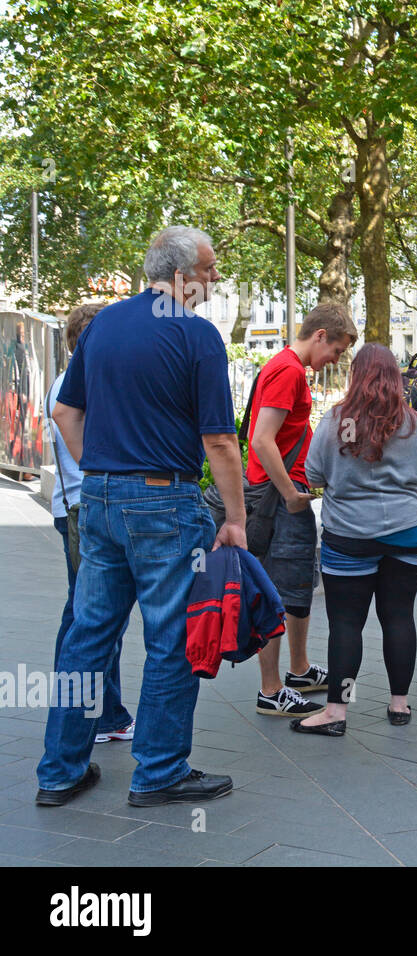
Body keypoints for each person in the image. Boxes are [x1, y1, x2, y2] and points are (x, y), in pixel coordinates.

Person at [38, 226, 245, 808]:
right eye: (208, 270)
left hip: (99, 502)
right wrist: (235, 517)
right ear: (179, 275)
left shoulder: (102, 325)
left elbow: (63, 410)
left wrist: (102, 472)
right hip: (166, 504)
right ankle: (158, 771)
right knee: (172, 636)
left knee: (88, 635)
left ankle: (59, 772)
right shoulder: (196, 335)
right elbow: (221, 442)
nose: (215, 279)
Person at [291, 345, 417, 736]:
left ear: (355, 376)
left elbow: (315, 476)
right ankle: (399, 704)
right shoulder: (415, 423)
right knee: (398, 617)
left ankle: (337, 712)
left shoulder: (335, 422)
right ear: (396, 377)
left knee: (346, 623)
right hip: (408, 534)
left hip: (350, 536)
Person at [245, 303, 356, 718]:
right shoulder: (289, 370)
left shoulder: (286, 367)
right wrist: (290, 493)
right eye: (338, 351)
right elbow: (262, 440)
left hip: (280, 495)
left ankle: (297, 670)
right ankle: (271, 690)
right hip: (279, 500)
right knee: (279, 589)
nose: (336, 360)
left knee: (295, 586)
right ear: (321, 334)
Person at [45, 302, 134, 746]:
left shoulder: (66, 381)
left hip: (74, 507)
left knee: (84, 615)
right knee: (99, 618)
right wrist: (101, 476)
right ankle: (104, 715)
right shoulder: (79, 385)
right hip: (87, 507)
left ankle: (91, 712)